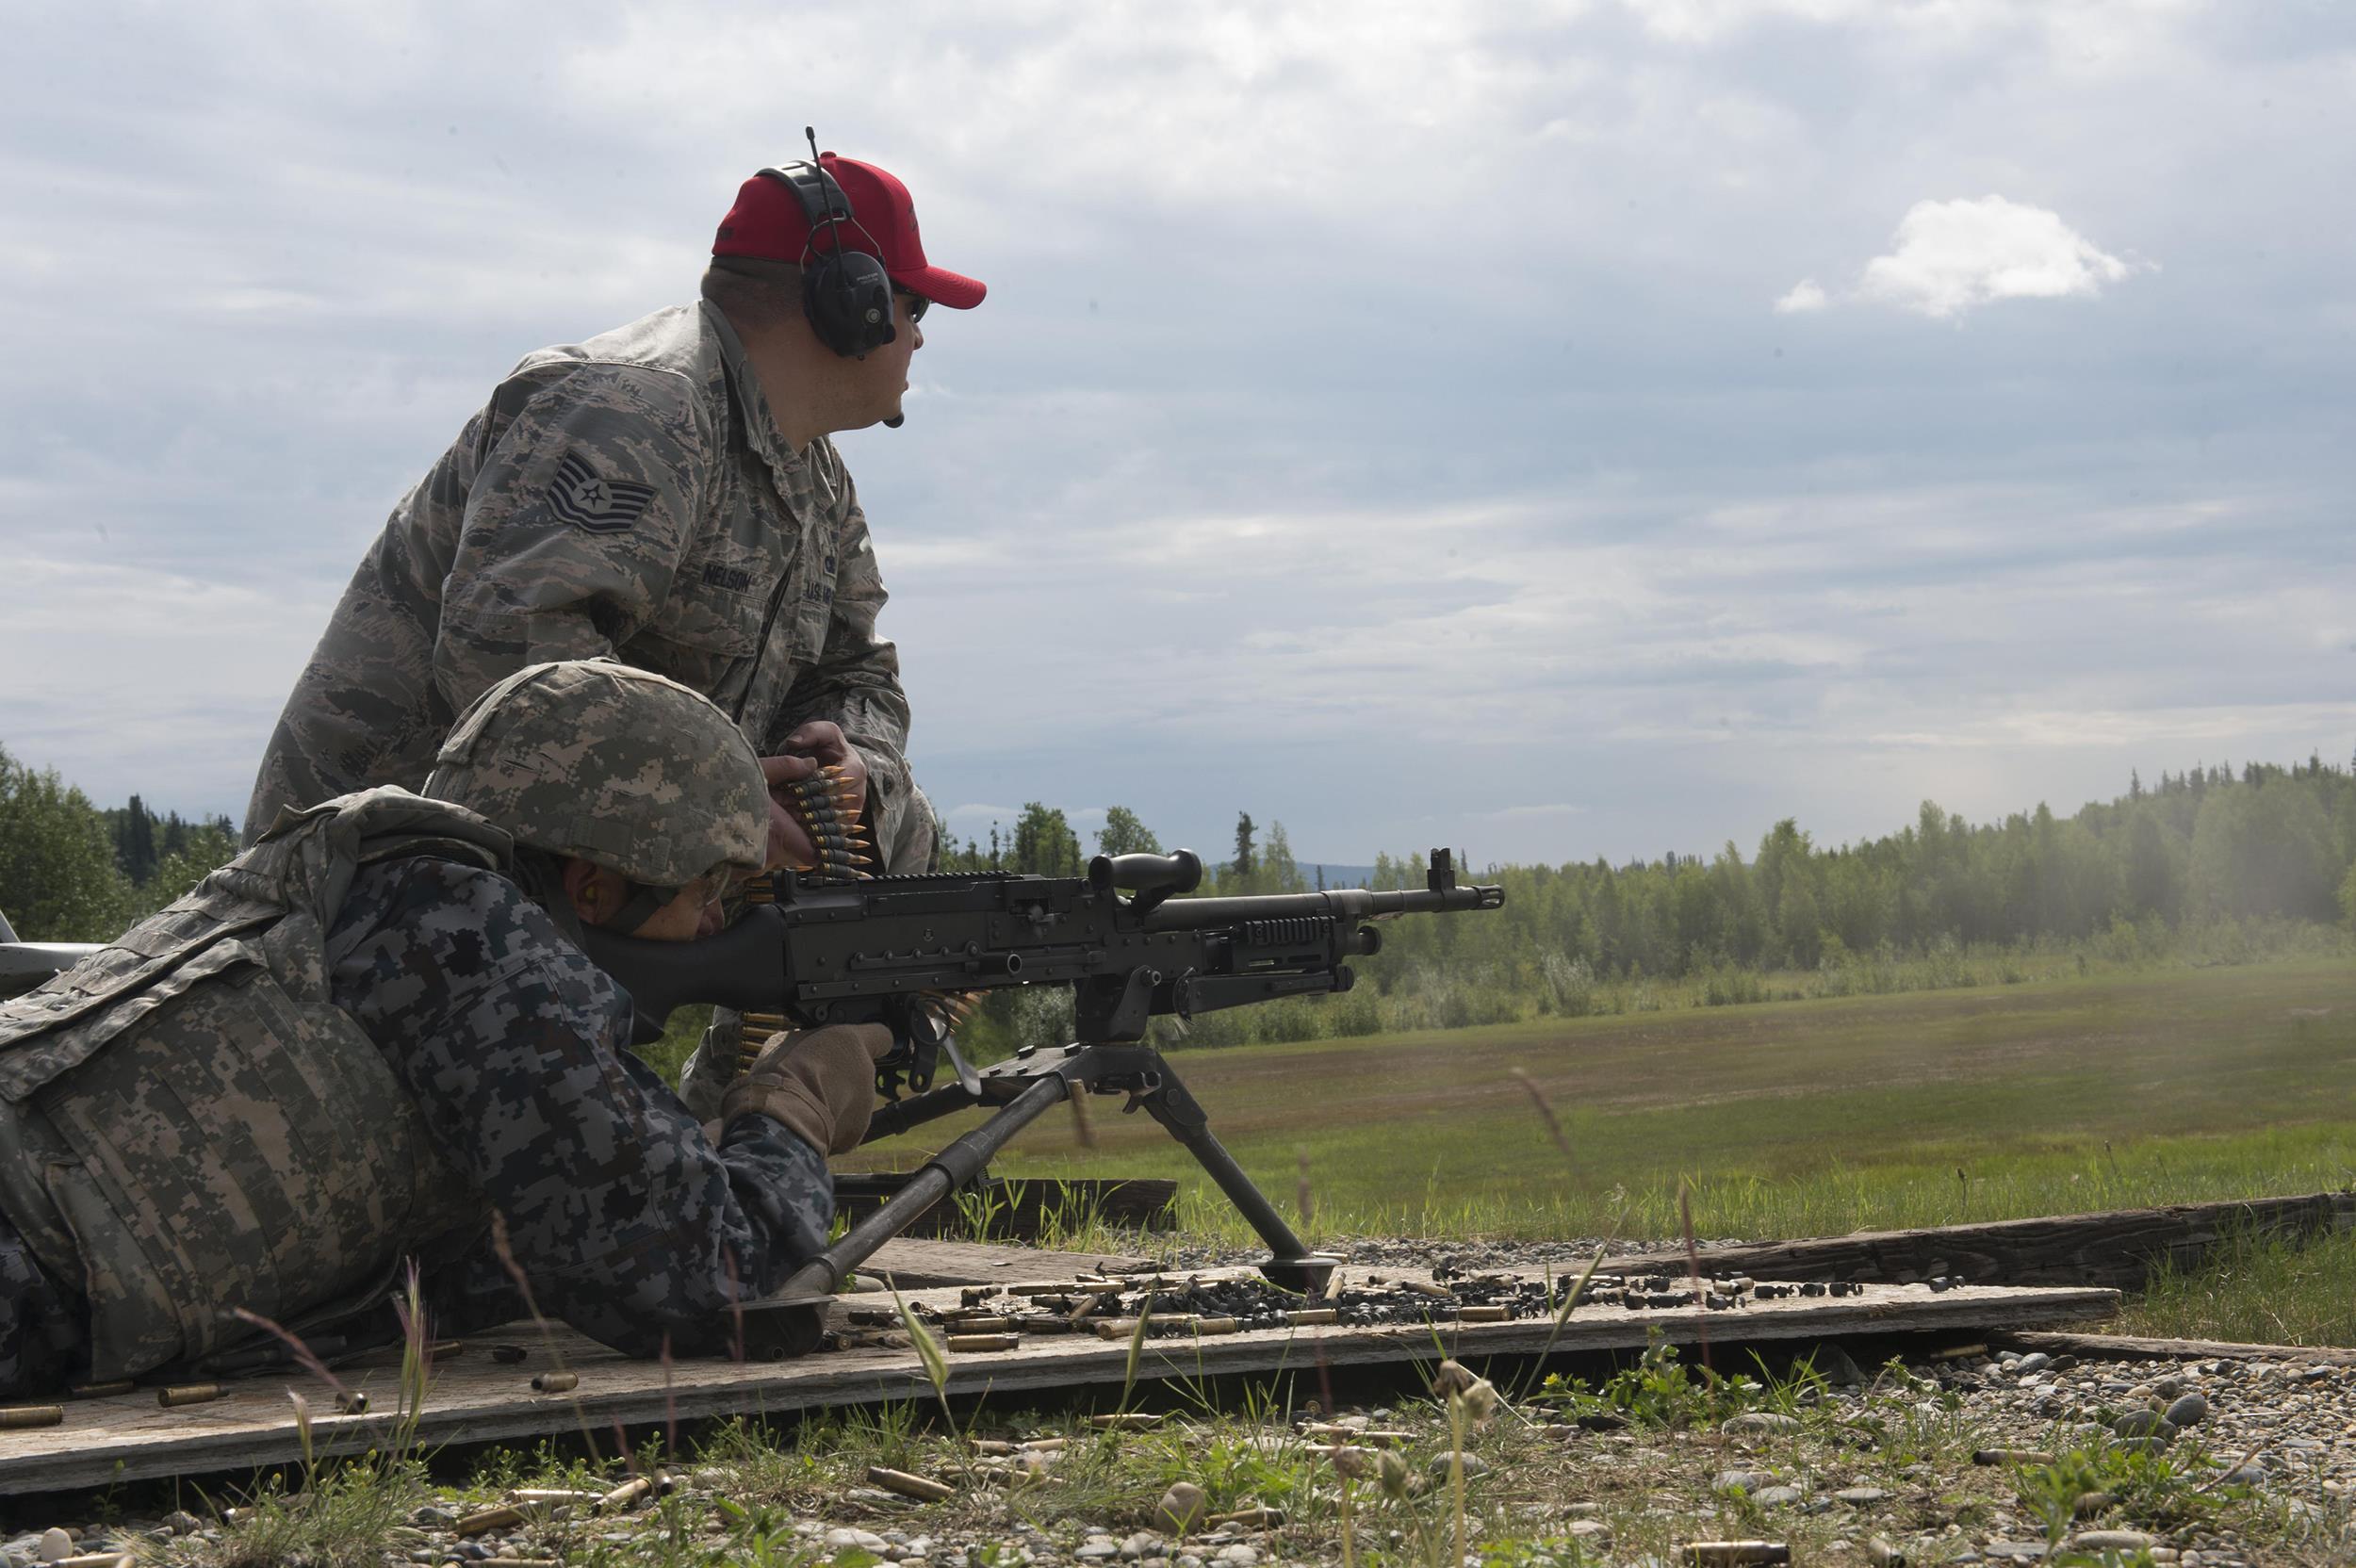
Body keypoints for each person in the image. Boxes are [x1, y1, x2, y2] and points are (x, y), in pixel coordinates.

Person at [0, 661, 886, 1396]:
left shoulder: (372, 877)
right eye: (708, 891)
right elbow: (714, 1285)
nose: (714, 923)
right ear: (593, 888)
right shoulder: (484, 946)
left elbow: (508, 1248)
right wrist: (793, 1105)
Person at [243, 145, 985, 877]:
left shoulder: (817, 478)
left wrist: (851, 765)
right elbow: (508, 655)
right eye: (912, 305)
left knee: (896, 824)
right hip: (395, 862)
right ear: (850, 303)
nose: (920, 335)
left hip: (597, 859)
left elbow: (857, 670)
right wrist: (725, 803)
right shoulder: (635, 407)